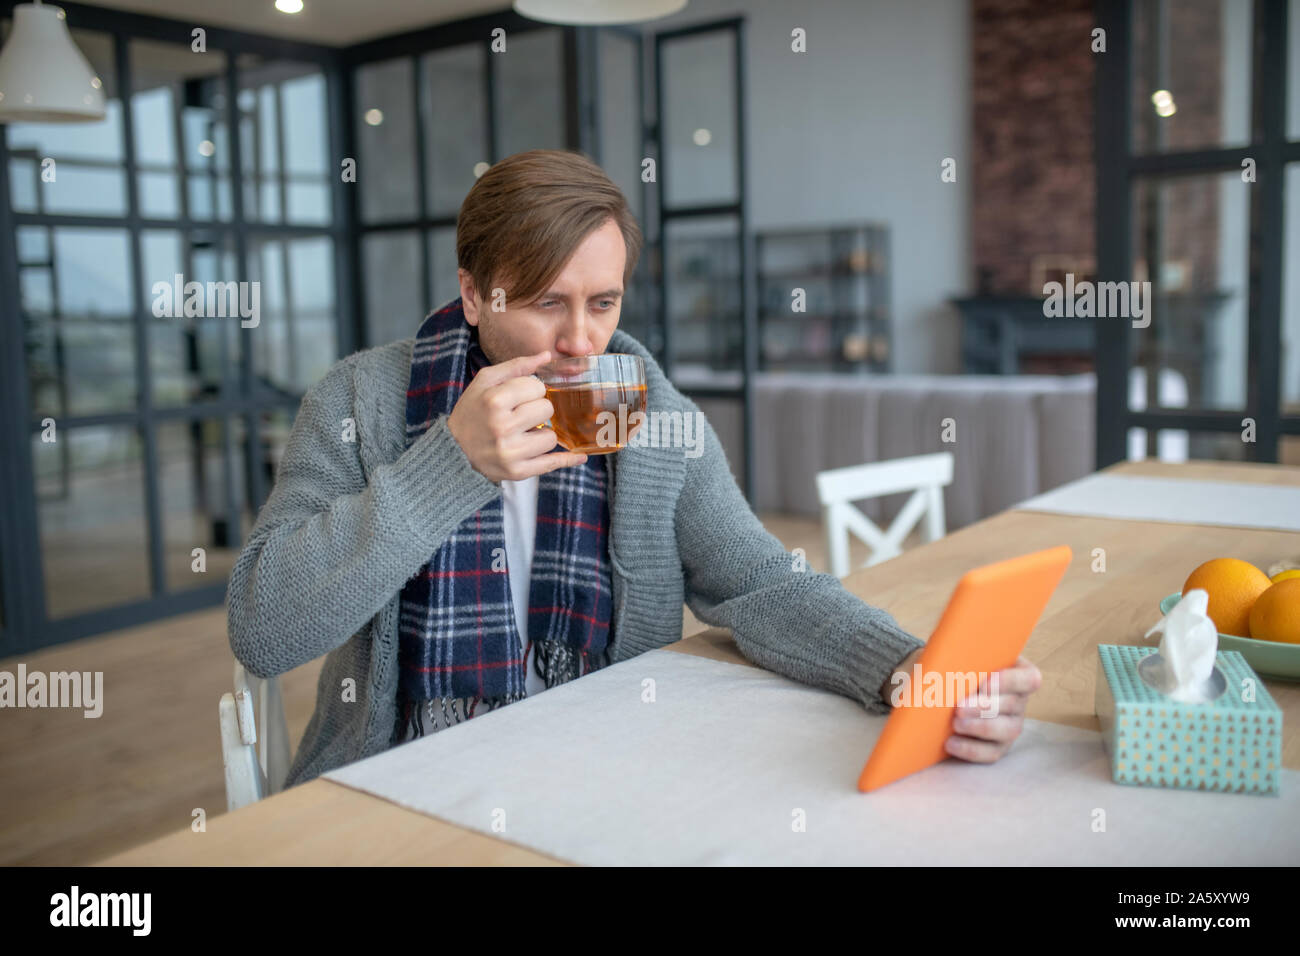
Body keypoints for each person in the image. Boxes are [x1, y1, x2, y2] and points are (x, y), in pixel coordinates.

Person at [227, 148, 1041, 790]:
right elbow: (264, 629)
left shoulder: (651, 414)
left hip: (603, 764)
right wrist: (451, 463)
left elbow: (760, 580)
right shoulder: (362, 399)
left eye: (604, 302)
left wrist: (905, 667)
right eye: (548, 302)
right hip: (396, 778)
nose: (584, 342)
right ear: (474, 296)